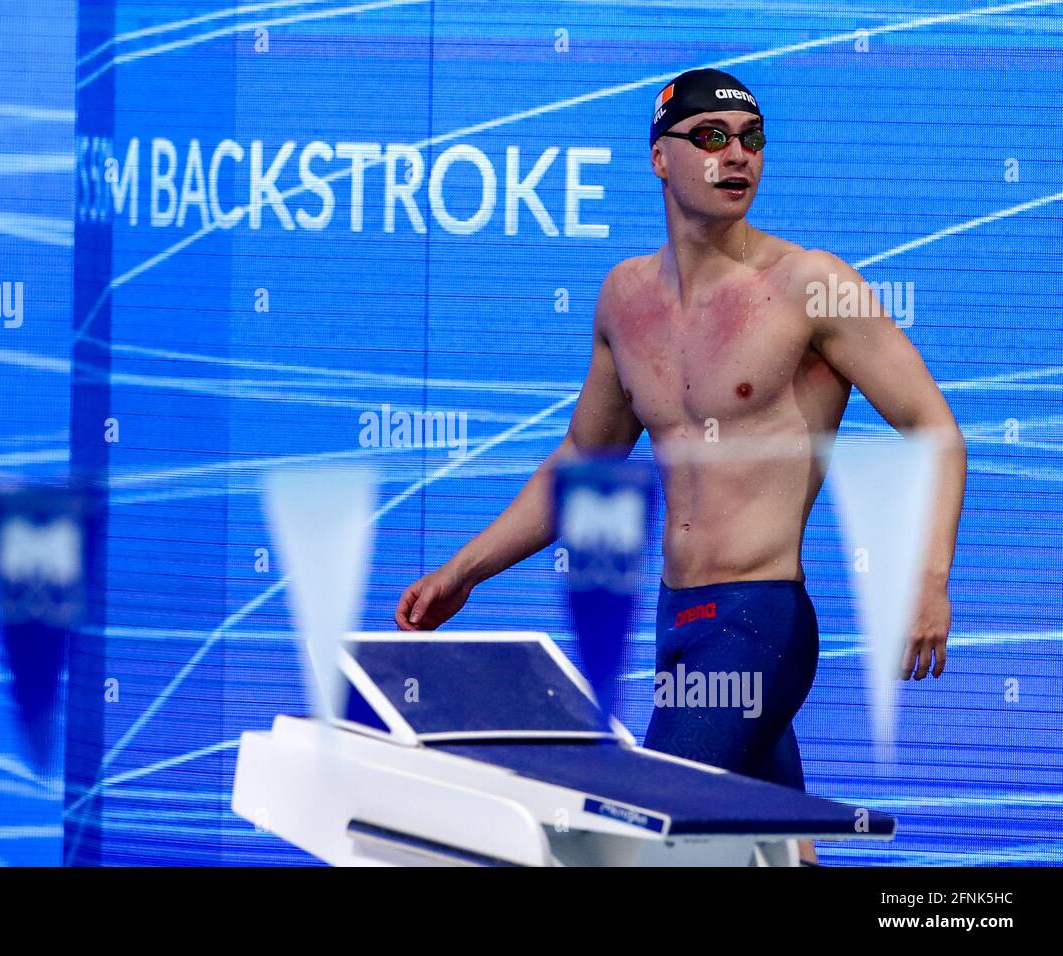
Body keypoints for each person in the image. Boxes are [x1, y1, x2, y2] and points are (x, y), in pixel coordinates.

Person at [394, 68, 967, 864]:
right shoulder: (625, 298)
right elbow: (583, 461)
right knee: (774, 850)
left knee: (640, 836)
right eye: (711, 139)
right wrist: (464, 571)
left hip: (757, 622)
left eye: (751, 141)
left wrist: (931, 579)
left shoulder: (810, 287)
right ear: (659, 158)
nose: (737, 157)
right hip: (679, 624)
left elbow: (932, 426)